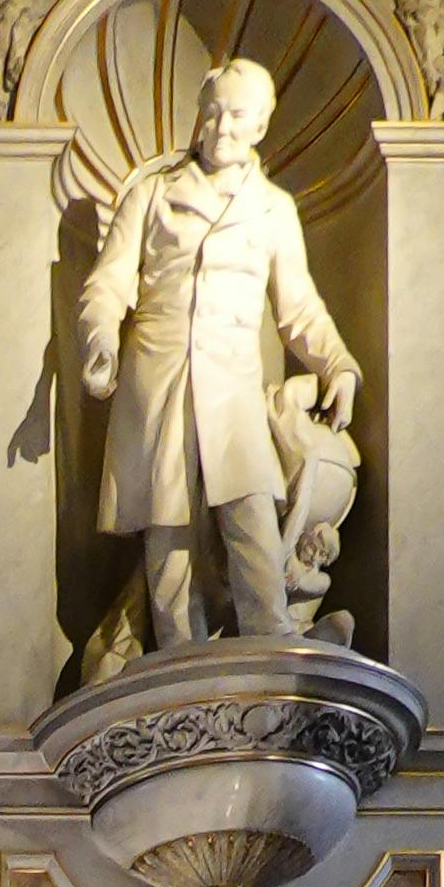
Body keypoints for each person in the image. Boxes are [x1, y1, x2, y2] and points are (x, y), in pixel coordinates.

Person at [74, 52, 360, 653]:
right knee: (168, 523)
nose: (220, 127)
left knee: (250, 507)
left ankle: (272, 637)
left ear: (260, 126)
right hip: (160, 371)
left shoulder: (273, 208)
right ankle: (178, 653)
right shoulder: (152, 194)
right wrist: (100, 339)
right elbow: (108, 283)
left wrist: (338, 365)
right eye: (211, 113)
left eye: (235, 116)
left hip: (232, 383)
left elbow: (299, 307)